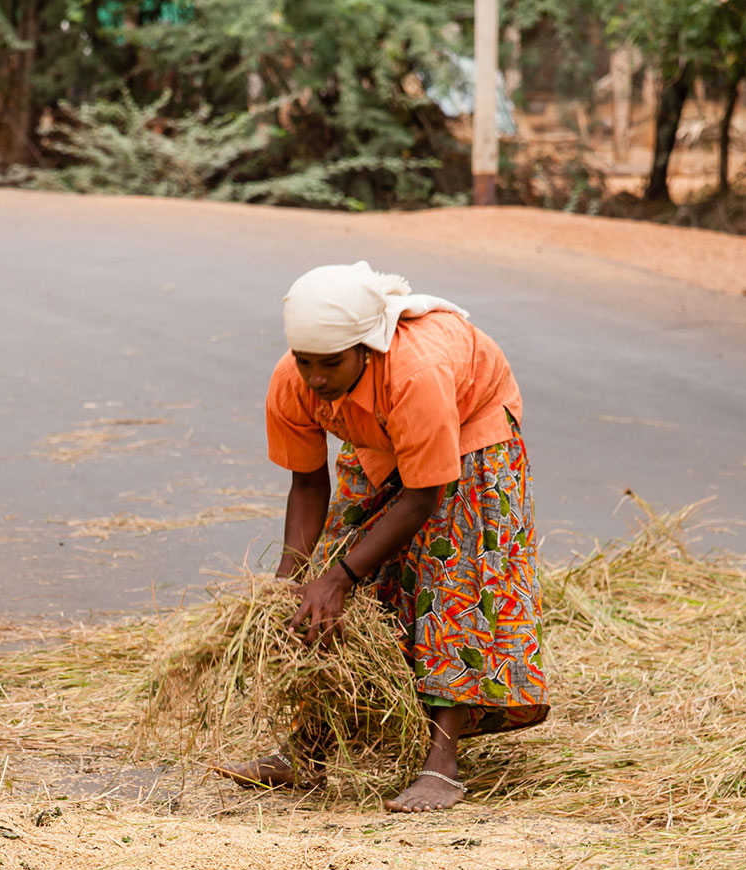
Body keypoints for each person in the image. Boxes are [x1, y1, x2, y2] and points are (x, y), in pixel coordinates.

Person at [223, 261, 547, 813]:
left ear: (367, 351)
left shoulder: (416, 373)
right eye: (306, 363)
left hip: (469, 433)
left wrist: (338, 578)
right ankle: (309, 749)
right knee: (329, 587)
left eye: (331, 363)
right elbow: (307, 483)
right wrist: (296, 578)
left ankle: (441, 764)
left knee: (451, 578)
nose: (316, 377)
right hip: (382, 440)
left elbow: (423, 498)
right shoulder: (293, 379)